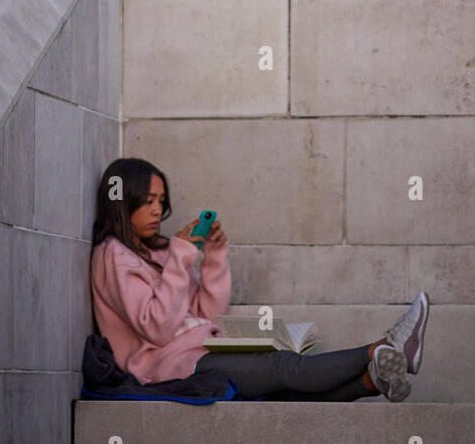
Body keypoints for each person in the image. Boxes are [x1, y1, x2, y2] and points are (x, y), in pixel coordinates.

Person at [89, 157, 430, 403]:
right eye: (147, 201)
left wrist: (213, 258)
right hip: (167, 367)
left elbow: (208, 314)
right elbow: (158, 328)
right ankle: (384, 347)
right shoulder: (113, 256)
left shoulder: (161, 252)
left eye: (160, 202)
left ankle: (372, 380)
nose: (156, 211)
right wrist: (180, 256)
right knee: (282, 367)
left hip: (201, 350)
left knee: (283, 391)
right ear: (122, 202)